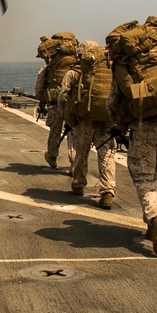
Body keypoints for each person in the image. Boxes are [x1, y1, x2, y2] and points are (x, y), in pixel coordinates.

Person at [106, 20, 157, 257]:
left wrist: (118, 121)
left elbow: (114, 100)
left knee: (143, 177)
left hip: (143, 126)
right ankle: (153, 226)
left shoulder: (128, 61)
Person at [58, 40, 116, 208]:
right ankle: (107, 191)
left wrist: (68, 115)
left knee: (81, 152)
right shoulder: (109, 70)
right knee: (107, 154)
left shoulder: (74, 72)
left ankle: (78, 183)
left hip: (84, 120)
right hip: (106, 119)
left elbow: (63, 96)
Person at [36, 33, 78, 169]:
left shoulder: (48, 68)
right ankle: (74, 160)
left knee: (55, 129)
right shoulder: (75, 62)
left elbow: (39, 88)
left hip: (54, 101)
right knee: (72, 131)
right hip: (72, 100)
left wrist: (41, 103)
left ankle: (52, 156)